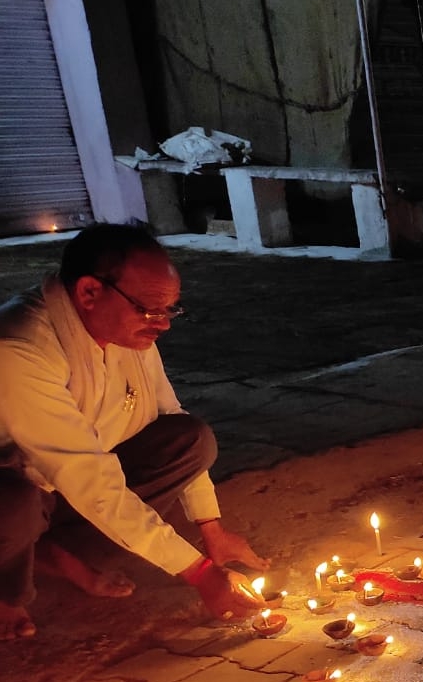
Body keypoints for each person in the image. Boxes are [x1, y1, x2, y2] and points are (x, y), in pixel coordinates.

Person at [0, 223, 267, 639]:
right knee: (12, 505)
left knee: (190, 439)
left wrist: (210, 526)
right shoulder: (20, 349)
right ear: (89, 292)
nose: (163, 325)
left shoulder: (128, 330)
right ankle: (7, 591)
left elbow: (169, 412)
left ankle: (57, 553)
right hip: (18, 486)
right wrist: (199, 573)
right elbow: (88, 478)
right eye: (151, 310)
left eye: (170, 310)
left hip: (61, 490)